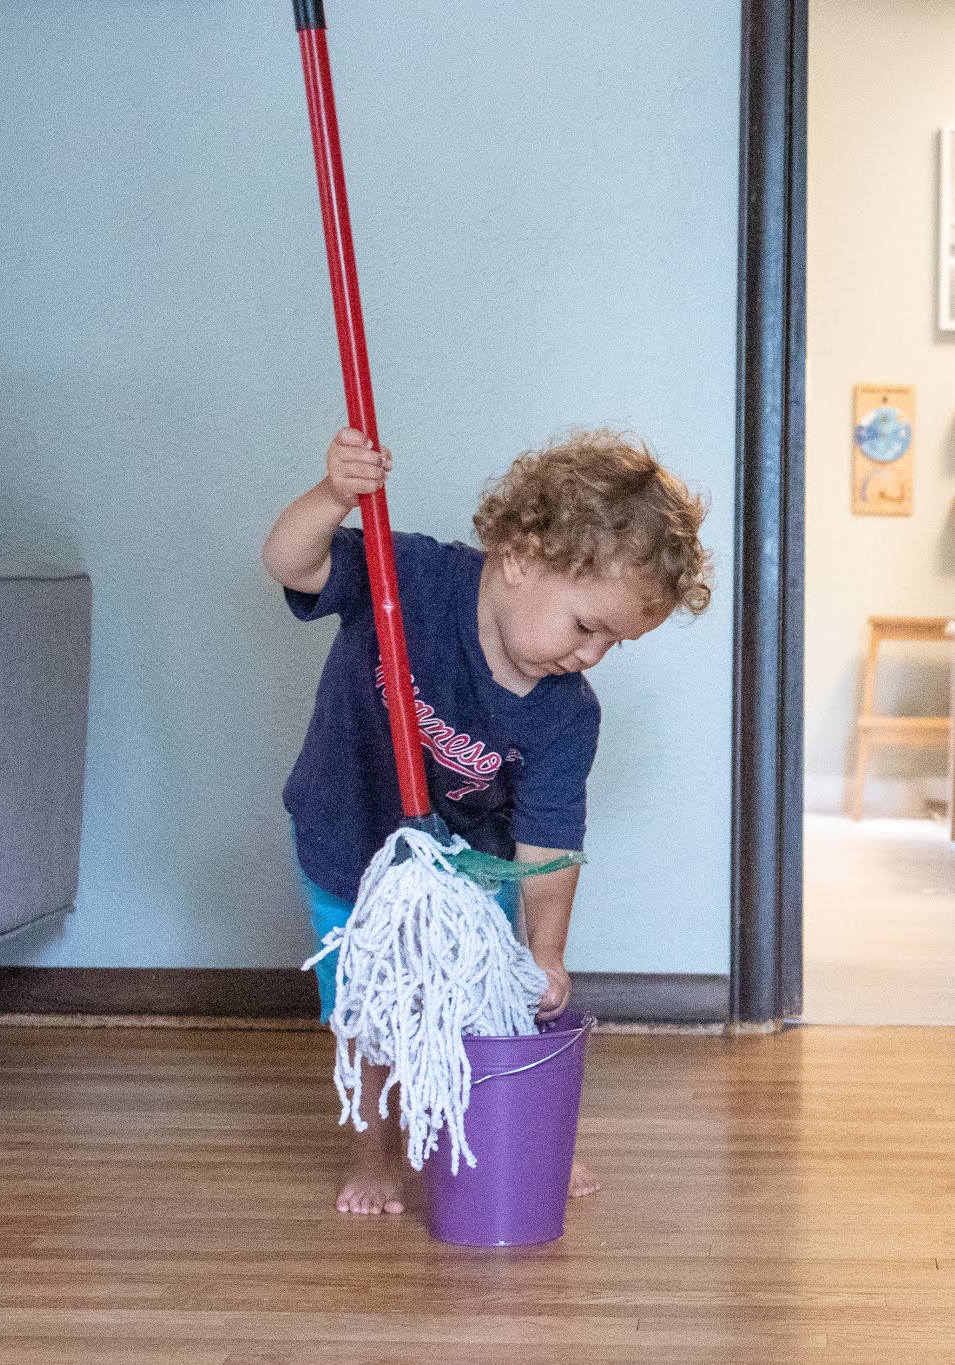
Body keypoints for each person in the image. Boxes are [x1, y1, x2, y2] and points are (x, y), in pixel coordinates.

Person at [263, 425, 711, 1215]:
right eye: (586, 625)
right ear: (520, 558)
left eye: (614, 640)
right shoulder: (411, 582)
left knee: (486, 1003)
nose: (594, 654)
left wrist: (547, 953)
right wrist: (334, 494)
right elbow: (290, 562)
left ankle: (512, 1137)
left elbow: (550, 845)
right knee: (367, 1011)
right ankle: (373, 1151)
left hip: (467, 871)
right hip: (346, 837)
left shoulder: (567, 716)